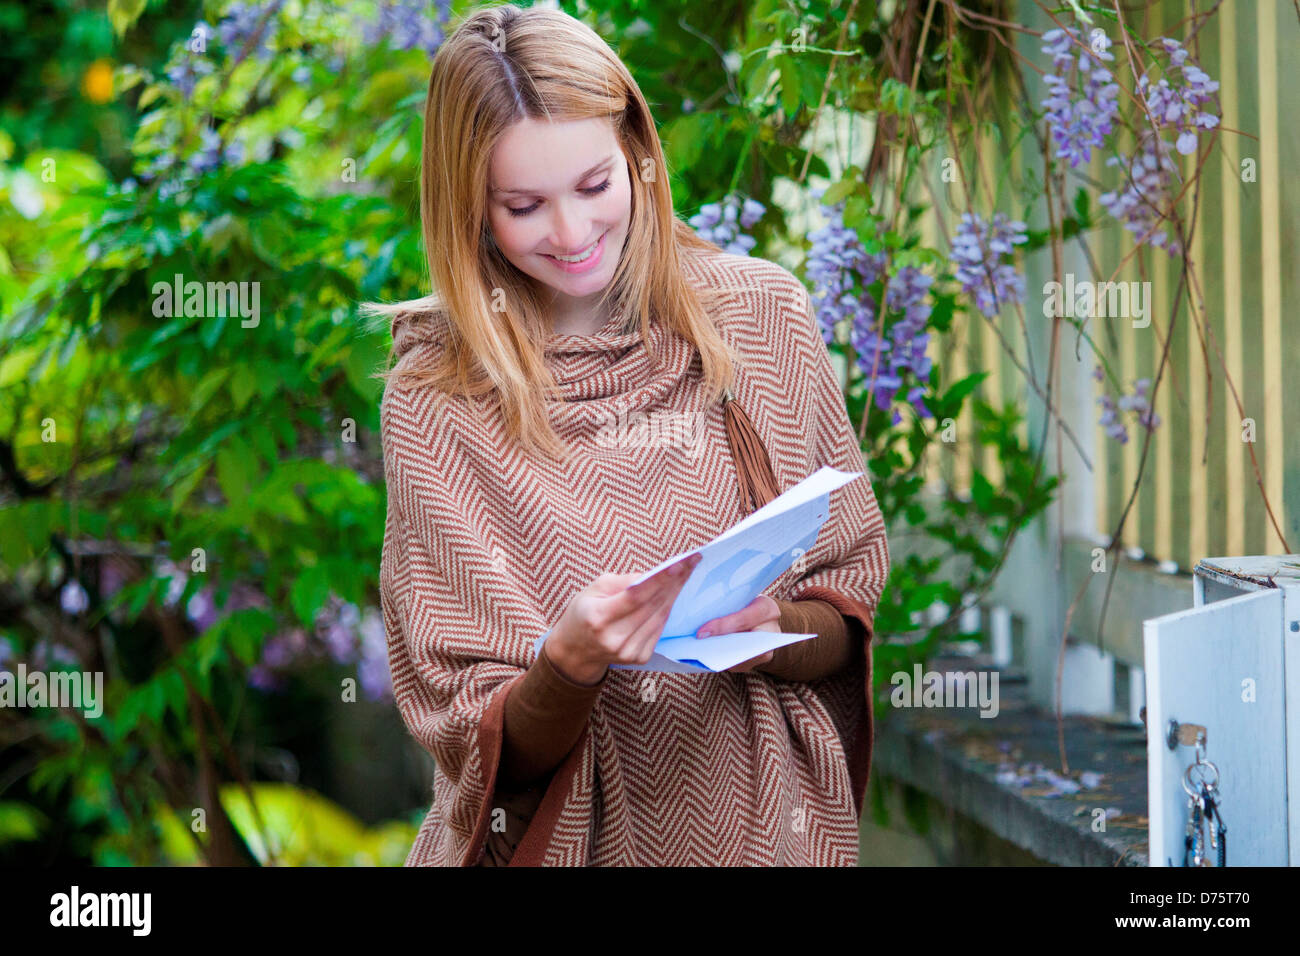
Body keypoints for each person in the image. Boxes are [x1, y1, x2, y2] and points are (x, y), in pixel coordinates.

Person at [369, 3, 890, 866]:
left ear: (640, 157)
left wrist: (773, 623)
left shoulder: (760, 316)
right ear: (468, 205)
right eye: (524, 205)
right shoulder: (436, 395)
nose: (572, 235)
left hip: (762, 832)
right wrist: (566, 668)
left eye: (594, 186)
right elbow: (479, 751)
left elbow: (849, 610)